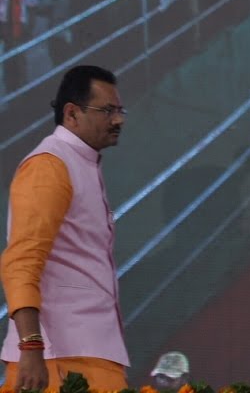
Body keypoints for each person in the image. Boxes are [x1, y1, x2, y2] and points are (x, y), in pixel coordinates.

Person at [1, 65, 129, 391]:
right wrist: (30, 346)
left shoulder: (80, 163)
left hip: (88, 354)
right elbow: (21, 261)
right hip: (60, 358)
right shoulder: (50, 165)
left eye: (120, 110)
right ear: (72, 114)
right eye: (107, 111)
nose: (118, 120)